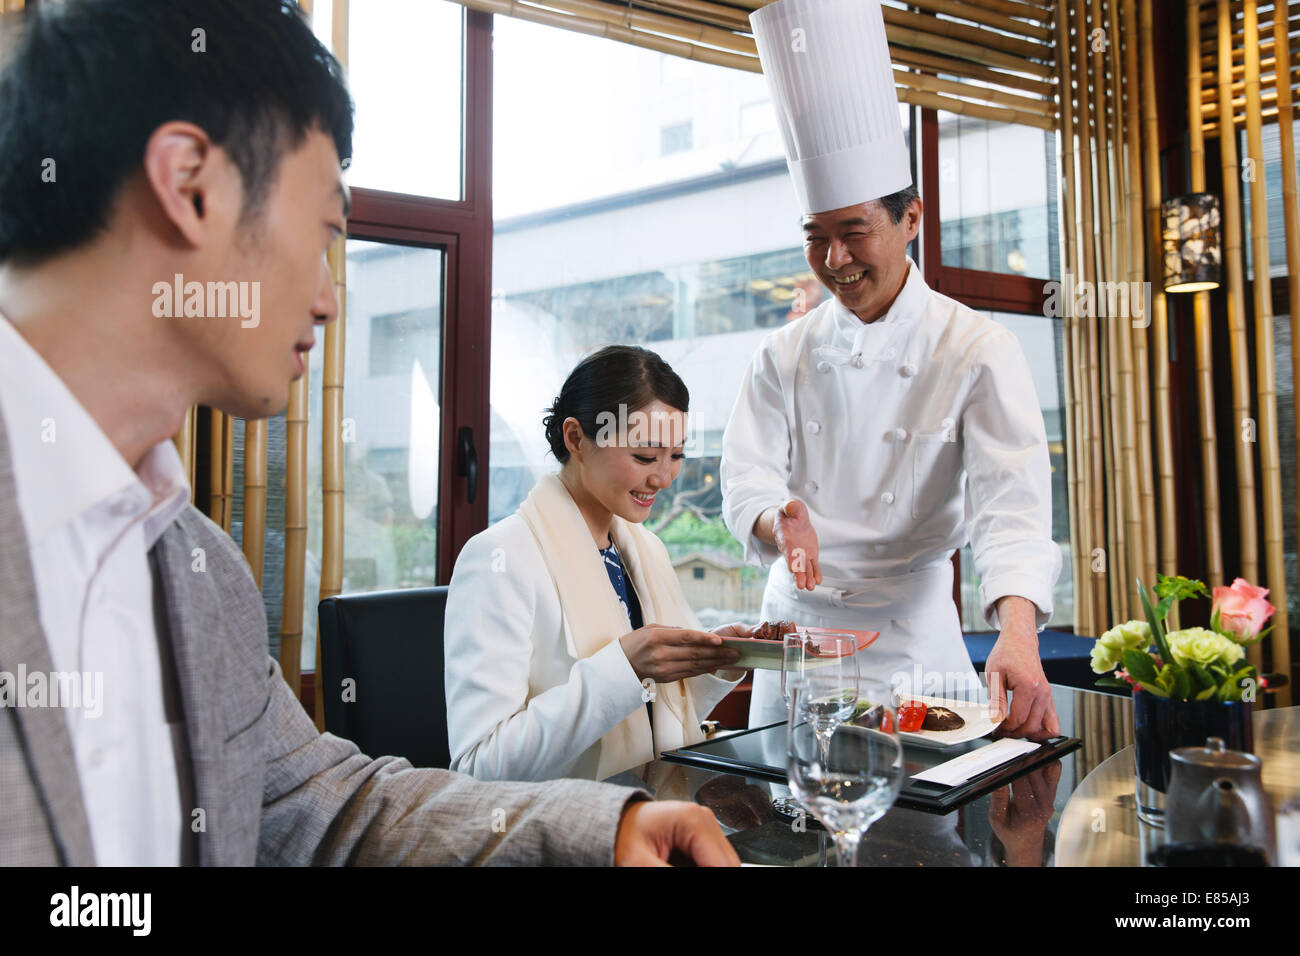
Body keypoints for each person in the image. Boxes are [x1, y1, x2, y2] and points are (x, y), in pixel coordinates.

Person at [0, 0, 737, 866]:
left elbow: (328, 806)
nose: (328, 297)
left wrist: (603, 828)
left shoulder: (197, 566)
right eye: (323, 233)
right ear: (191, 186)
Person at [722, 0, 1062, 739]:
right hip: (797, 641)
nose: (835, 261)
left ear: (911, 220)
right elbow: (744, 477)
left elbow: (1013, 507)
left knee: (916, 842)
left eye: (854, 233)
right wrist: (780, 526)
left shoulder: (977, 349)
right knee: (786, 827)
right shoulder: (782, 353)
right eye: (817, 238)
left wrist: (1018, 631)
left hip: (912, 642)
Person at [445, 346, 748, 782]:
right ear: (576, 439)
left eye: (676, 455)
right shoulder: (499, 559)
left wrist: (711, 658)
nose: (663, 477)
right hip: (563, 831)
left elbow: (656, 721)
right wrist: (623, 667)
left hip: (652, 812)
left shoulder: (646, 550)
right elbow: (482, 766)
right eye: (645, 457)